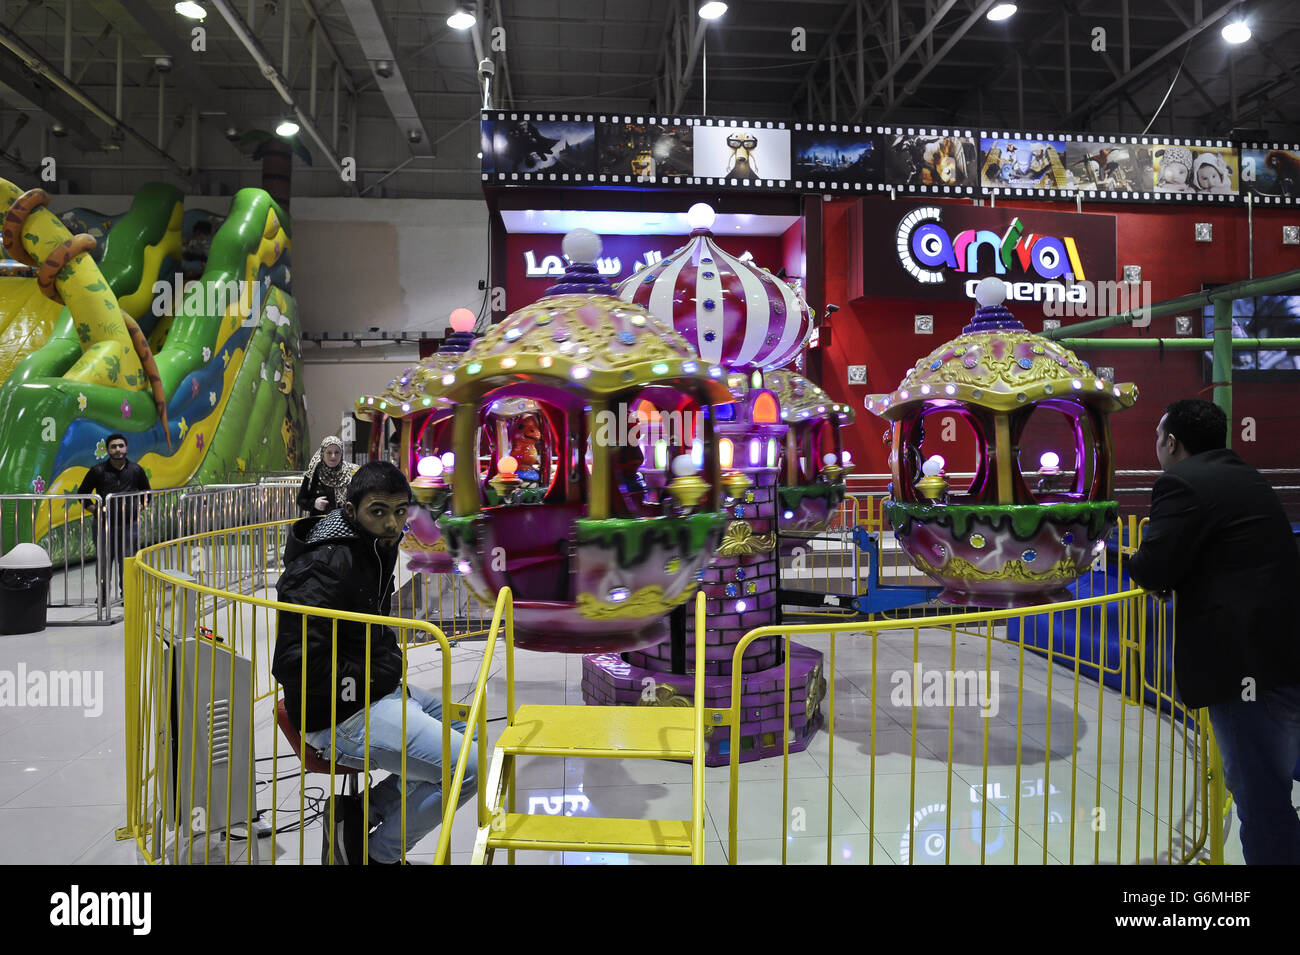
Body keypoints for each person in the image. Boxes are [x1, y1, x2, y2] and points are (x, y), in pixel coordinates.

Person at [272, 461, 477, 865]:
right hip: (335, 713)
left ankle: (358, 815)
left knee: (469, 732)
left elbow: (371, 633)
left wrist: (384, 670)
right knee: (466, 767)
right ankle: (379, 856)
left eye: (400, 512)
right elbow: (294, 662)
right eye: (378, 511)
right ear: (351, 511)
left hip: (374, 690)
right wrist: (374, 677)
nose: (391, 524)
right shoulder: (325, 565)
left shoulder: (371, 549)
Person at [1128, 399, 1300, 864]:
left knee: (1261, 798)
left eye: (1158, 438)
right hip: (1284, 650)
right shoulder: (1245, 474)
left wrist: (1138, 566)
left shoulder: (1181, 482)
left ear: (1172, 442)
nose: (1157, 447)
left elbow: (1154, 564)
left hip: (1246, 666)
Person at [77, 433, 151, 605]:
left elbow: (147, 492)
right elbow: (82, 493)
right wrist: (95, 510)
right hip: (104, 525)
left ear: (126, 448)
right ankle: (103, 595)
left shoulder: (136, 470)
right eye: (113, 446)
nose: (118, 449)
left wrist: (140, 506)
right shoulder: (97, 471)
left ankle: (127, 594)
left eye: (121, 446)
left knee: (127, 560)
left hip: (128, 525)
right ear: (107, 450)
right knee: (103, 561)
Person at [297, 435, 359, 515]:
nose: (333, 456)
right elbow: (301, 500)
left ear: (341, 454)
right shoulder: (313, 473)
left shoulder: (351, 472)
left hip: (344, 523)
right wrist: (314, 504)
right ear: (322, 454)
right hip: (320, 523)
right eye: (329, 453)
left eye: (337, 452)